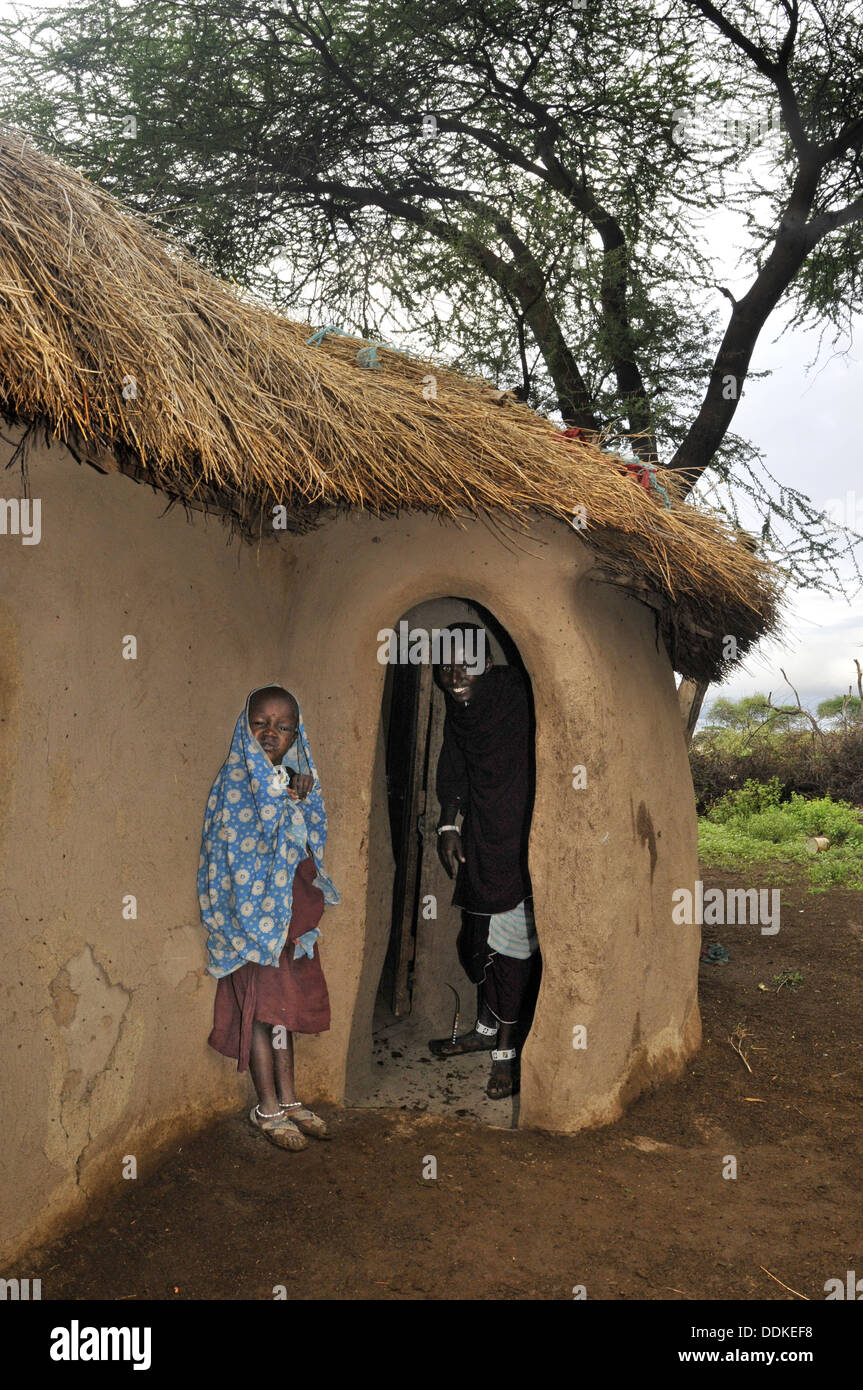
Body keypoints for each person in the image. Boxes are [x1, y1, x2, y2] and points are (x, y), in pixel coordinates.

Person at [198, 685, 339, 1150]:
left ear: (297, 732)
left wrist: (302, 789)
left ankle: (291, 1100)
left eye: (282, 726)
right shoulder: (236, 780)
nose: (269, 733)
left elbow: (303, 837)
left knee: (282, 1013)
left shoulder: (292, 779)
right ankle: (267, 1108)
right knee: (260, 1014)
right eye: (261, 723)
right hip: (248, 924)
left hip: (285, 923)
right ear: (245, 724)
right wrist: (291, 789)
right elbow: (232, 854)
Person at [429, 626, 540, 1099]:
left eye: (466, 665)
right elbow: (454, 765)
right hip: (480, 839)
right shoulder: (462, 711)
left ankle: (506, 1057)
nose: (455, 676)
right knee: (479, 940)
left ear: (488, 665)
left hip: (517, 844)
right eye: (446, 666)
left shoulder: (518, 697)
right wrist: (449, 825)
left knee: (513, 951)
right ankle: (483, 1030)